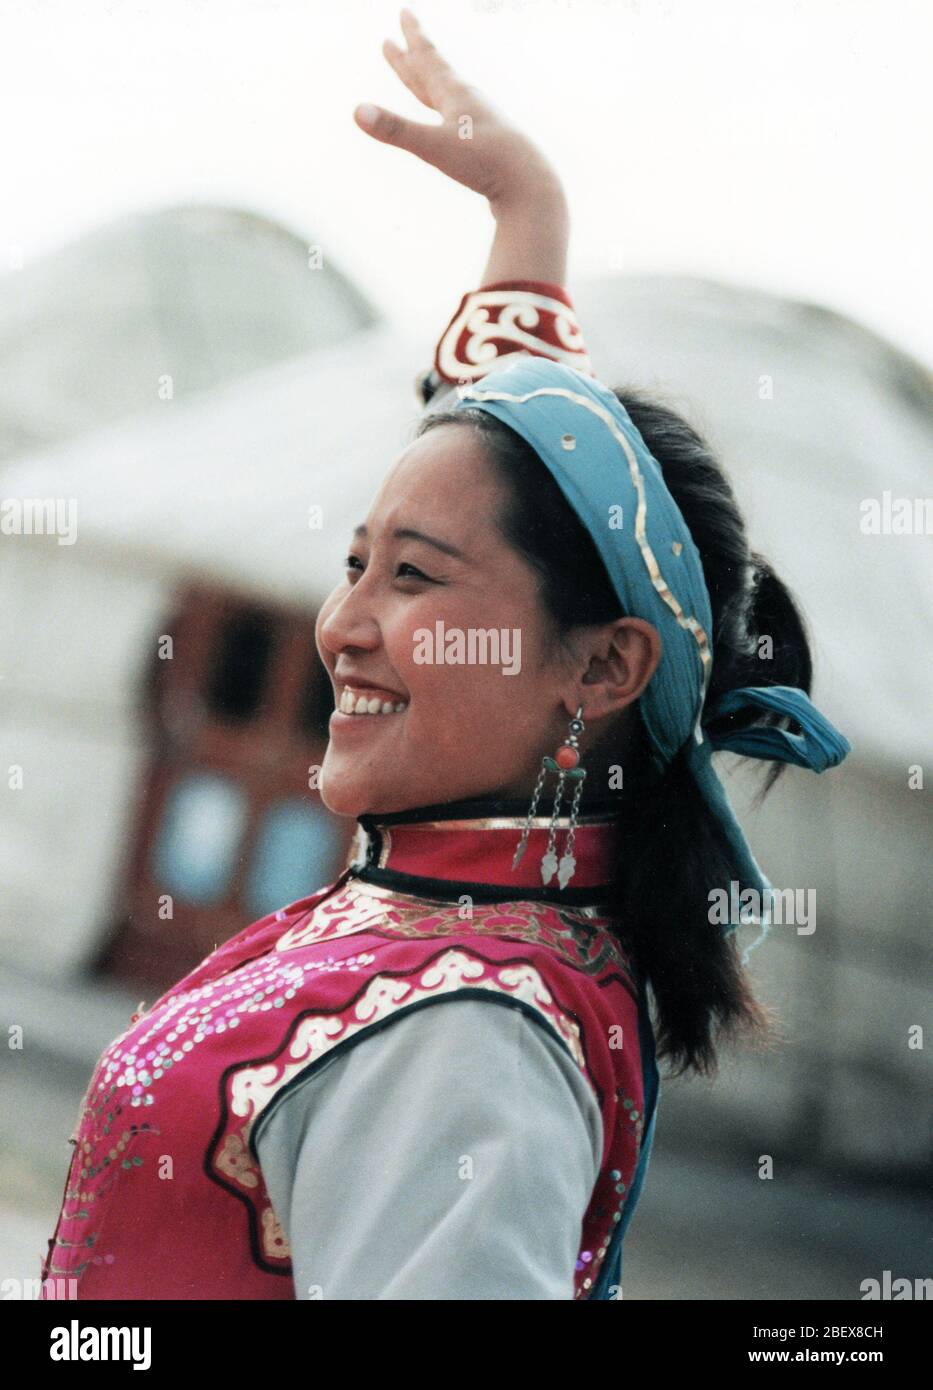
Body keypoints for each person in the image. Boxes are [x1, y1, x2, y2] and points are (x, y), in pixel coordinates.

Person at [40, 9, 848, 1302]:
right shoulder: (448, 923)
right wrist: (528, 221)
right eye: (353, 561)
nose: (340, 622)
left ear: (602, 669)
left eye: (408, 577)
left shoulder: (468, 1038)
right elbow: (507, 473)